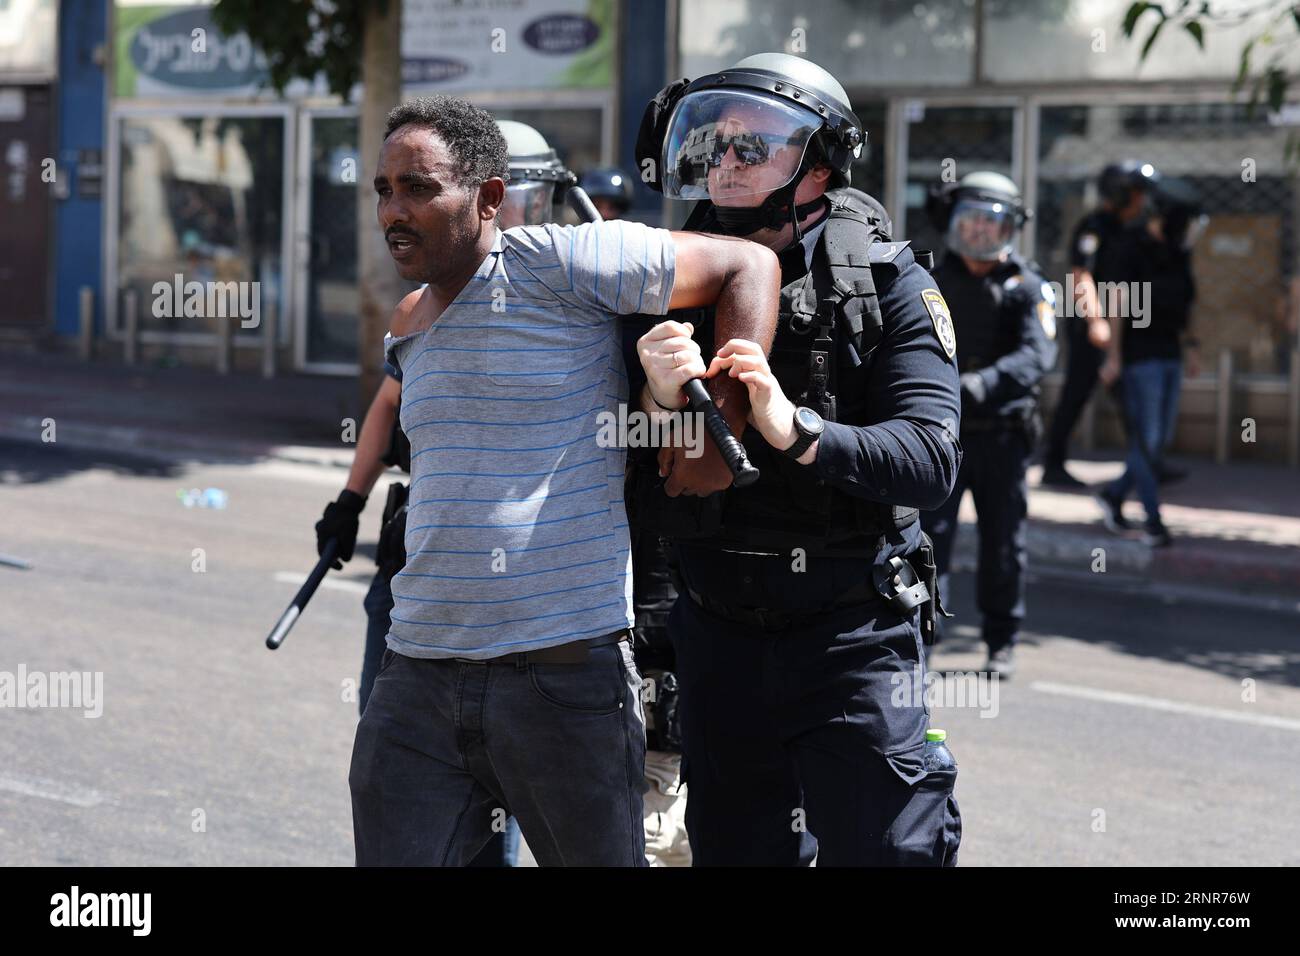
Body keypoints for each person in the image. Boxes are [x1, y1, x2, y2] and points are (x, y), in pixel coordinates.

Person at [347, 94, 783, 867]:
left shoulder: (560, 260)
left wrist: (726, 421)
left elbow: (749, 262)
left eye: (419, 187)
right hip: (416, 678)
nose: (394, 210)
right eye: (384, 190)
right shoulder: (409, 319)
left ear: (486, 198)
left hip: (561, 676)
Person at [624, 53, 963, 866]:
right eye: (717, 144)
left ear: (821, 163)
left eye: (754, 145)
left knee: (888, 849)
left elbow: (930, 458)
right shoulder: (657, 278)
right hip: (716, 632)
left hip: (851, 634)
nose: (727, 164)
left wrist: (798, 429)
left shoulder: (885, 284)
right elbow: (609, 473)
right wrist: (656, 408)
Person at [314, 118, 572, 867]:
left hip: (533, 610)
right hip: (416, 586)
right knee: (405, 777)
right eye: (389, 192)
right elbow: (387, 407)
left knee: (514, 795)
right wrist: (349, 503)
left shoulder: (576, 300)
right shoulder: (418, 309)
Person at [920, 171, 1057, 679]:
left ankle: (1002, 641)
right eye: (970, 221)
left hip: (1001, 435)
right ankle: (922, 640)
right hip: (943, 436)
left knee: (1003, 544)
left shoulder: (1028, 285)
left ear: (1009, 228)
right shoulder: (932, 278)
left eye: (990, 223)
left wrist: (979, 384)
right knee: (928, 542)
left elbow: (1037, 355)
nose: (979, 232)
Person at [1094, 178, 1205, 547]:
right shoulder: (1130, 246)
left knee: (1157, 441)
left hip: (1170, 352)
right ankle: (1153, 521)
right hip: (1140, 357)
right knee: (1147, 440)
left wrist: (1191, 346)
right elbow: (1117, 305)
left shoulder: (1177, 251)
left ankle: (1113, 495)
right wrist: (1113, 357)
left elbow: (1186, 303)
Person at [1041, 161, 1158, 488]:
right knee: (1078, 393)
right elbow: (1081, 275)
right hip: (1091, 328)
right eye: (1136, 193)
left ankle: (1149, 461)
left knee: (1127, 396)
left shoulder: (1130, 228)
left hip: (1122, 324)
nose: (1142, 200)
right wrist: (1096, 322)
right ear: (1120, 194)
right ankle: (1053, 463)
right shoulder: (1094, 227)